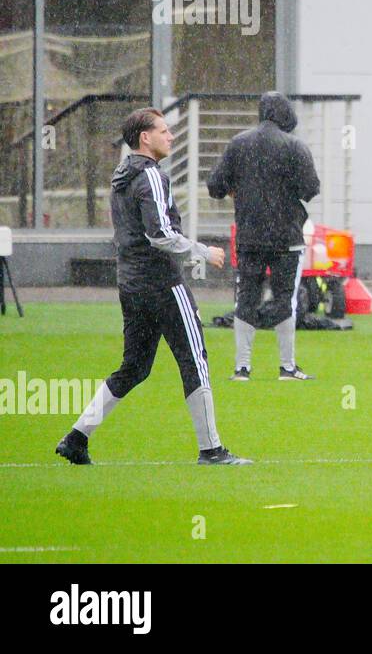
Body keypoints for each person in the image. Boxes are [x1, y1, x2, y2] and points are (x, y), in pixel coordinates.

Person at [55, 108, 250, 466]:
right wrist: (203, 251)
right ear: (145, 137)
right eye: (164, 131)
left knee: (134, 368)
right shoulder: (152, 176)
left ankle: (76, 438)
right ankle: (212, 450)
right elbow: (159, 234)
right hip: (163, 284)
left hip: (130, 283)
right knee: (195, 361)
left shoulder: (122, 176)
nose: (171, 136)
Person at [208, 92, 320, 382]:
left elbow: (215, 186)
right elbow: (310, 188)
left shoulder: (238, 144)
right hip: (287, 237)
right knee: (286, 299)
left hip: (249, 236)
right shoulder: (295, 147)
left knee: (246, 298)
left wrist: (239, 187)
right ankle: (287, 367)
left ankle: (242, 368)